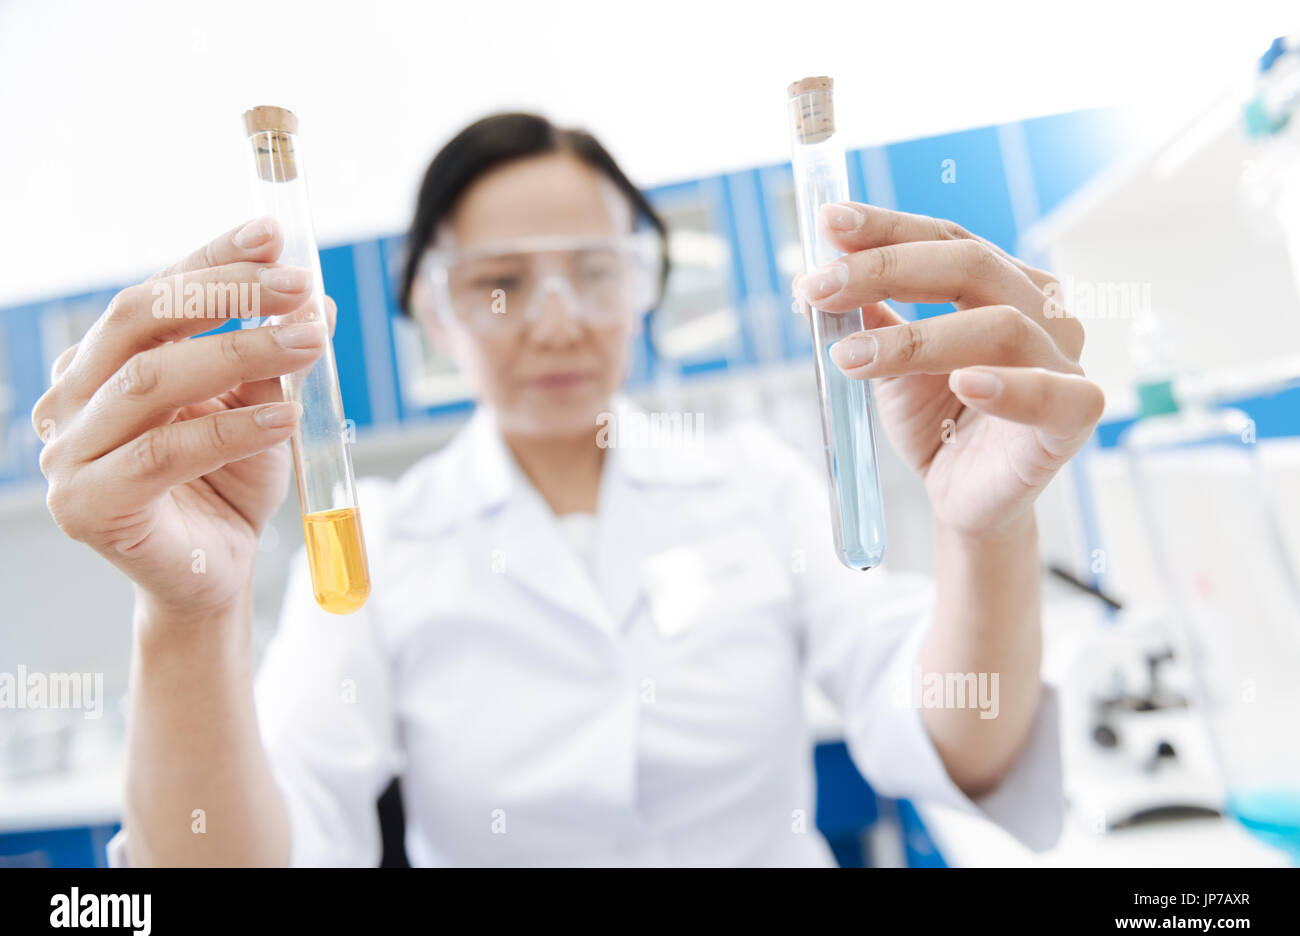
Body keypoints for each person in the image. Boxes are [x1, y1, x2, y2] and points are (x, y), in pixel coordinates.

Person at [32, 112, 1103, 866]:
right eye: (499, 284)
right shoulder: (379, 550)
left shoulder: (755, 485)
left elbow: (959, 738)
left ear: (642, 287)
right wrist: (185, 612)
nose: (554, 319)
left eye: (593, 270)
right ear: (434, 317)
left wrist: (989, 530)